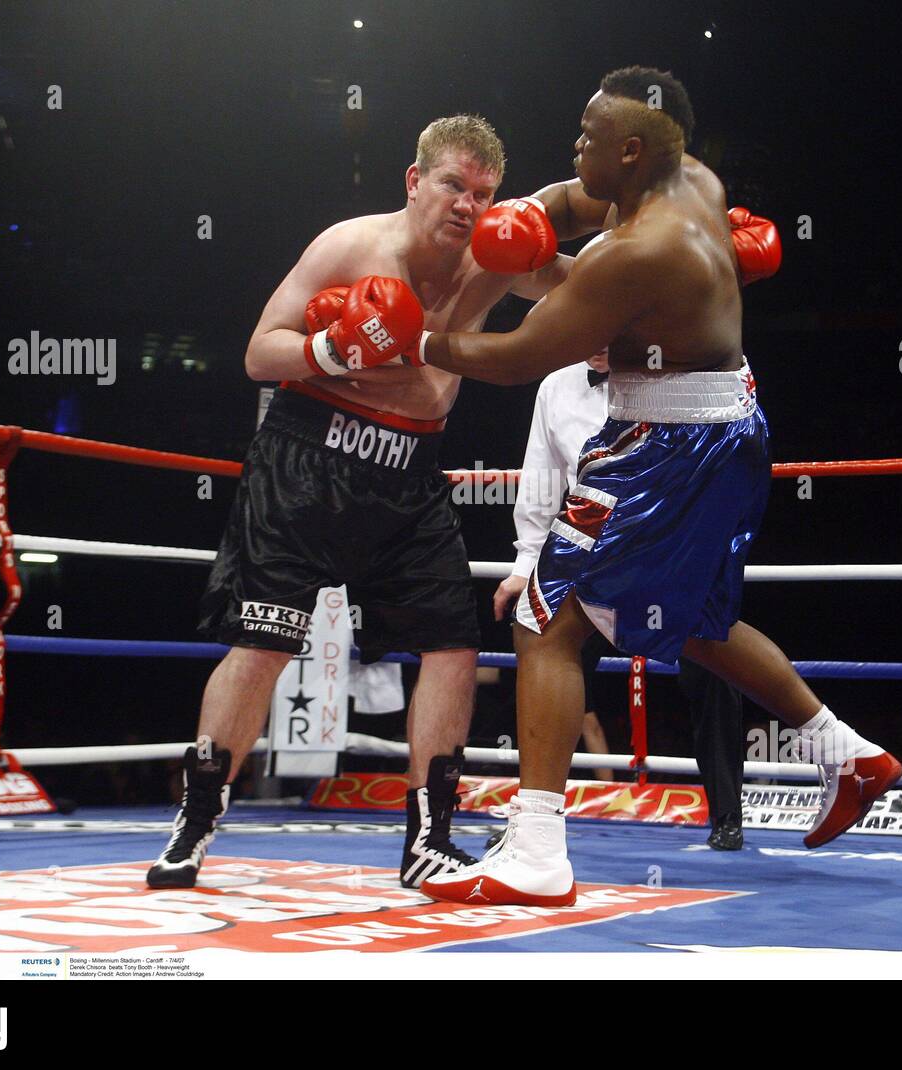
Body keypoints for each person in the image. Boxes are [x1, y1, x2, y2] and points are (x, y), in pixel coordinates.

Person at [411, 67, 901, 906]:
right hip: (732, 426)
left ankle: (536, 852)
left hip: (664, 441)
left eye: (588, 135)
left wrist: (414, 340)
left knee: (549, 619)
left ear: (630, 150)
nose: (574, 147)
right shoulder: (692, 181)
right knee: (700, 622)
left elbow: (521, 356)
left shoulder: (641, 252)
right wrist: (529, 215)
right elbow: (571, 197)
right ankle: (843, 750)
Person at [147, 115, 571, 890]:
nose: (468, 205)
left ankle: (429, 839)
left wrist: (658, 248)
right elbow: (257, 353)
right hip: (307, 462)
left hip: (410, 472)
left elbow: (578, 285)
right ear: (415, 182)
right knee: (264, 643)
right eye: (453, 185)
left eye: (482, 193)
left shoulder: (497, 254)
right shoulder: (349, 246)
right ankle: (197, 821)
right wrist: (330, 351)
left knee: (453, 643)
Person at [496, 206, 782, 850]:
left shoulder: (689, 363)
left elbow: (730, 454)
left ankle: (728, 812)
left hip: (676, 539)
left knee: (710, 655)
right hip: (594, 550)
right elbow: (542, 481)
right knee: (544, 639)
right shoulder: (557, 387)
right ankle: (537, 819)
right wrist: (523, 565)